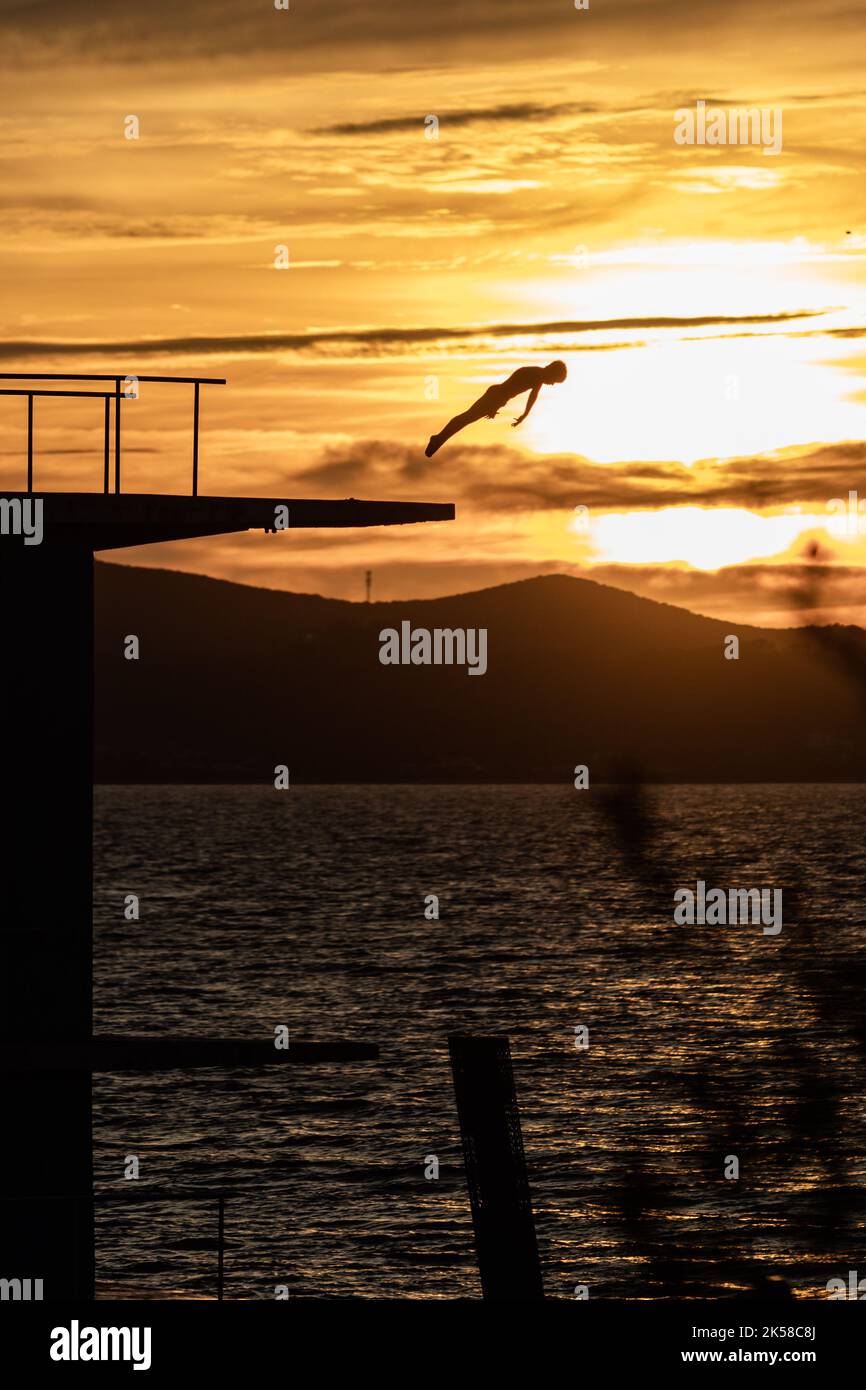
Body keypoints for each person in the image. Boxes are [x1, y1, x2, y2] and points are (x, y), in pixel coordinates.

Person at [425, 360, 567, 457]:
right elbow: (528, 394)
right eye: (554, 380)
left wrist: (499, 407)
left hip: (497, 397)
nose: (552, 384)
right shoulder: (535, 375)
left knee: (466, 419)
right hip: (495, 396)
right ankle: (438, 438)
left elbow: (528, 394)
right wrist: (522, 414)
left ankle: (439, 438)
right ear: (551, 372)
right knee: (466, 418)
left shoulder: (537, 376)